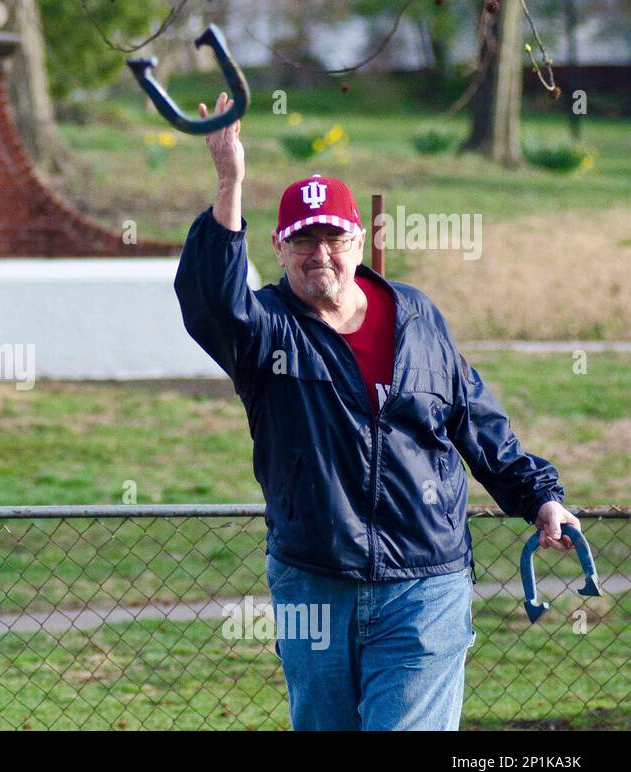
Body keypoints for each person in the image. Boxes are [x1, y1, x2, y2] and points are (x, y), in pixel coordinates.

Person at [175, 93, 582, 730]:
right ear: (279, 251)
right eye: (301, 242)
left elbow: (474, 419)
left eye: (332, 238)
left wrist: (540, 496)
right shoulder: (267, 333)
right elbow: (212, 306)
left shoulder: (416, 317)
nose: (319, 256)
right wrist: (229, 183)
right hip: (314, 581)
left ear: (357, 240)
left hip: (425, 582)